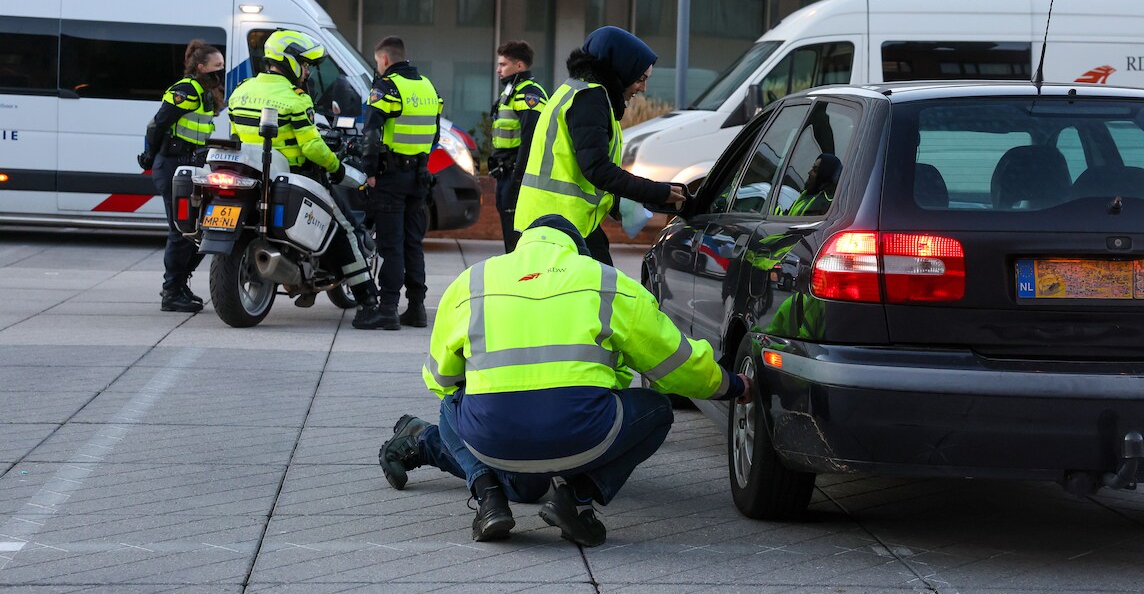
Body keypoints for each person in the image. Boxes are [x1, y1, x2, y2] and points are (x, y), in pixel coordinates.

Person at [378, 214, 753, 546]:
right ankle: (576, 500)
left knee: (454, 405)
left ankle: (486, 492)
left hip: (495, 440)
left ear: (524, 244)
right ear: (576, 250)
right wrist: (730, 386)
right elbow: (675, 363)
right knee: (657, 410)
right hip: (583, 435)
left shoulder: (473, 281)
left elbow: (441, 377)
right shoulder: (605, 281)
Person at [225, 29, 391, 329]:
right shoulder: (294, 100)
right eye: (304, 64)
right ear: (288, 61)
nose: (306, 72)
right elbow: (312, 146)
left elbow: (236, 135)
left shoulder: (240, 91)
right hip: (296, 175)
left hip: (251, 172)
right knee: (346, 231)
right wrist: (338, 168)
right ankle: (369, 301)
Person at [513, 26, 685, 266]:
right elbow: (597, 169)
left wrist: (617, 202)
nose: (643, 88)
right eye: (640, 78)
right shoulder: (590, 99)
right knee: (596, 293)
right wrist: (657, 192)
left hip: (555, 222)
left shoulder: (578, 91)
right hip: (560, 225)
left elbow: (582, 166)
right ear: (621, 69)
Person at [360, 36, 443, 329]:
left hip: (391, 177)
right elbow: (435, 135)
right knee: (412, 243)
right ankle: (417, 308)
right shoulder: (428, 87)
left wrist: (369, 170)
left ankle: (388, 308)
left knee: (391, 245)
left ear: (384, 60)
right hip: (420, 176)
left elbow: (370, 132)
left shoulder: (387, 88)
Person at [138, 39, 224, 313]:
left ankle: (179, 284)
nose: (220, 71)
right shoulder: (186, 90)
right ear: (200, 66)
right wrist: (149, 156)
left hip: (192, 165)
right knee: (181, 231)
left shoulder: (205, 92)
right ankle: (172, 292)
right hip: (173, 165)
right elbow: (158, 124)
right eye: (216, 66)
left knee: (200, 231)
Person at [489, 41, 547, 253]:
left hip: (517, 176)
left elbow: (531, 140)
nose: (498, 70)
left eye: (503, 64)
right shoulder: (511, 92)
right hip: (506, 173)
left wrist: (518, 178)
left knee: (517, 241)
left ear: (520, 66)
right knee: (509, 236)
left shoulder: (529, 94)